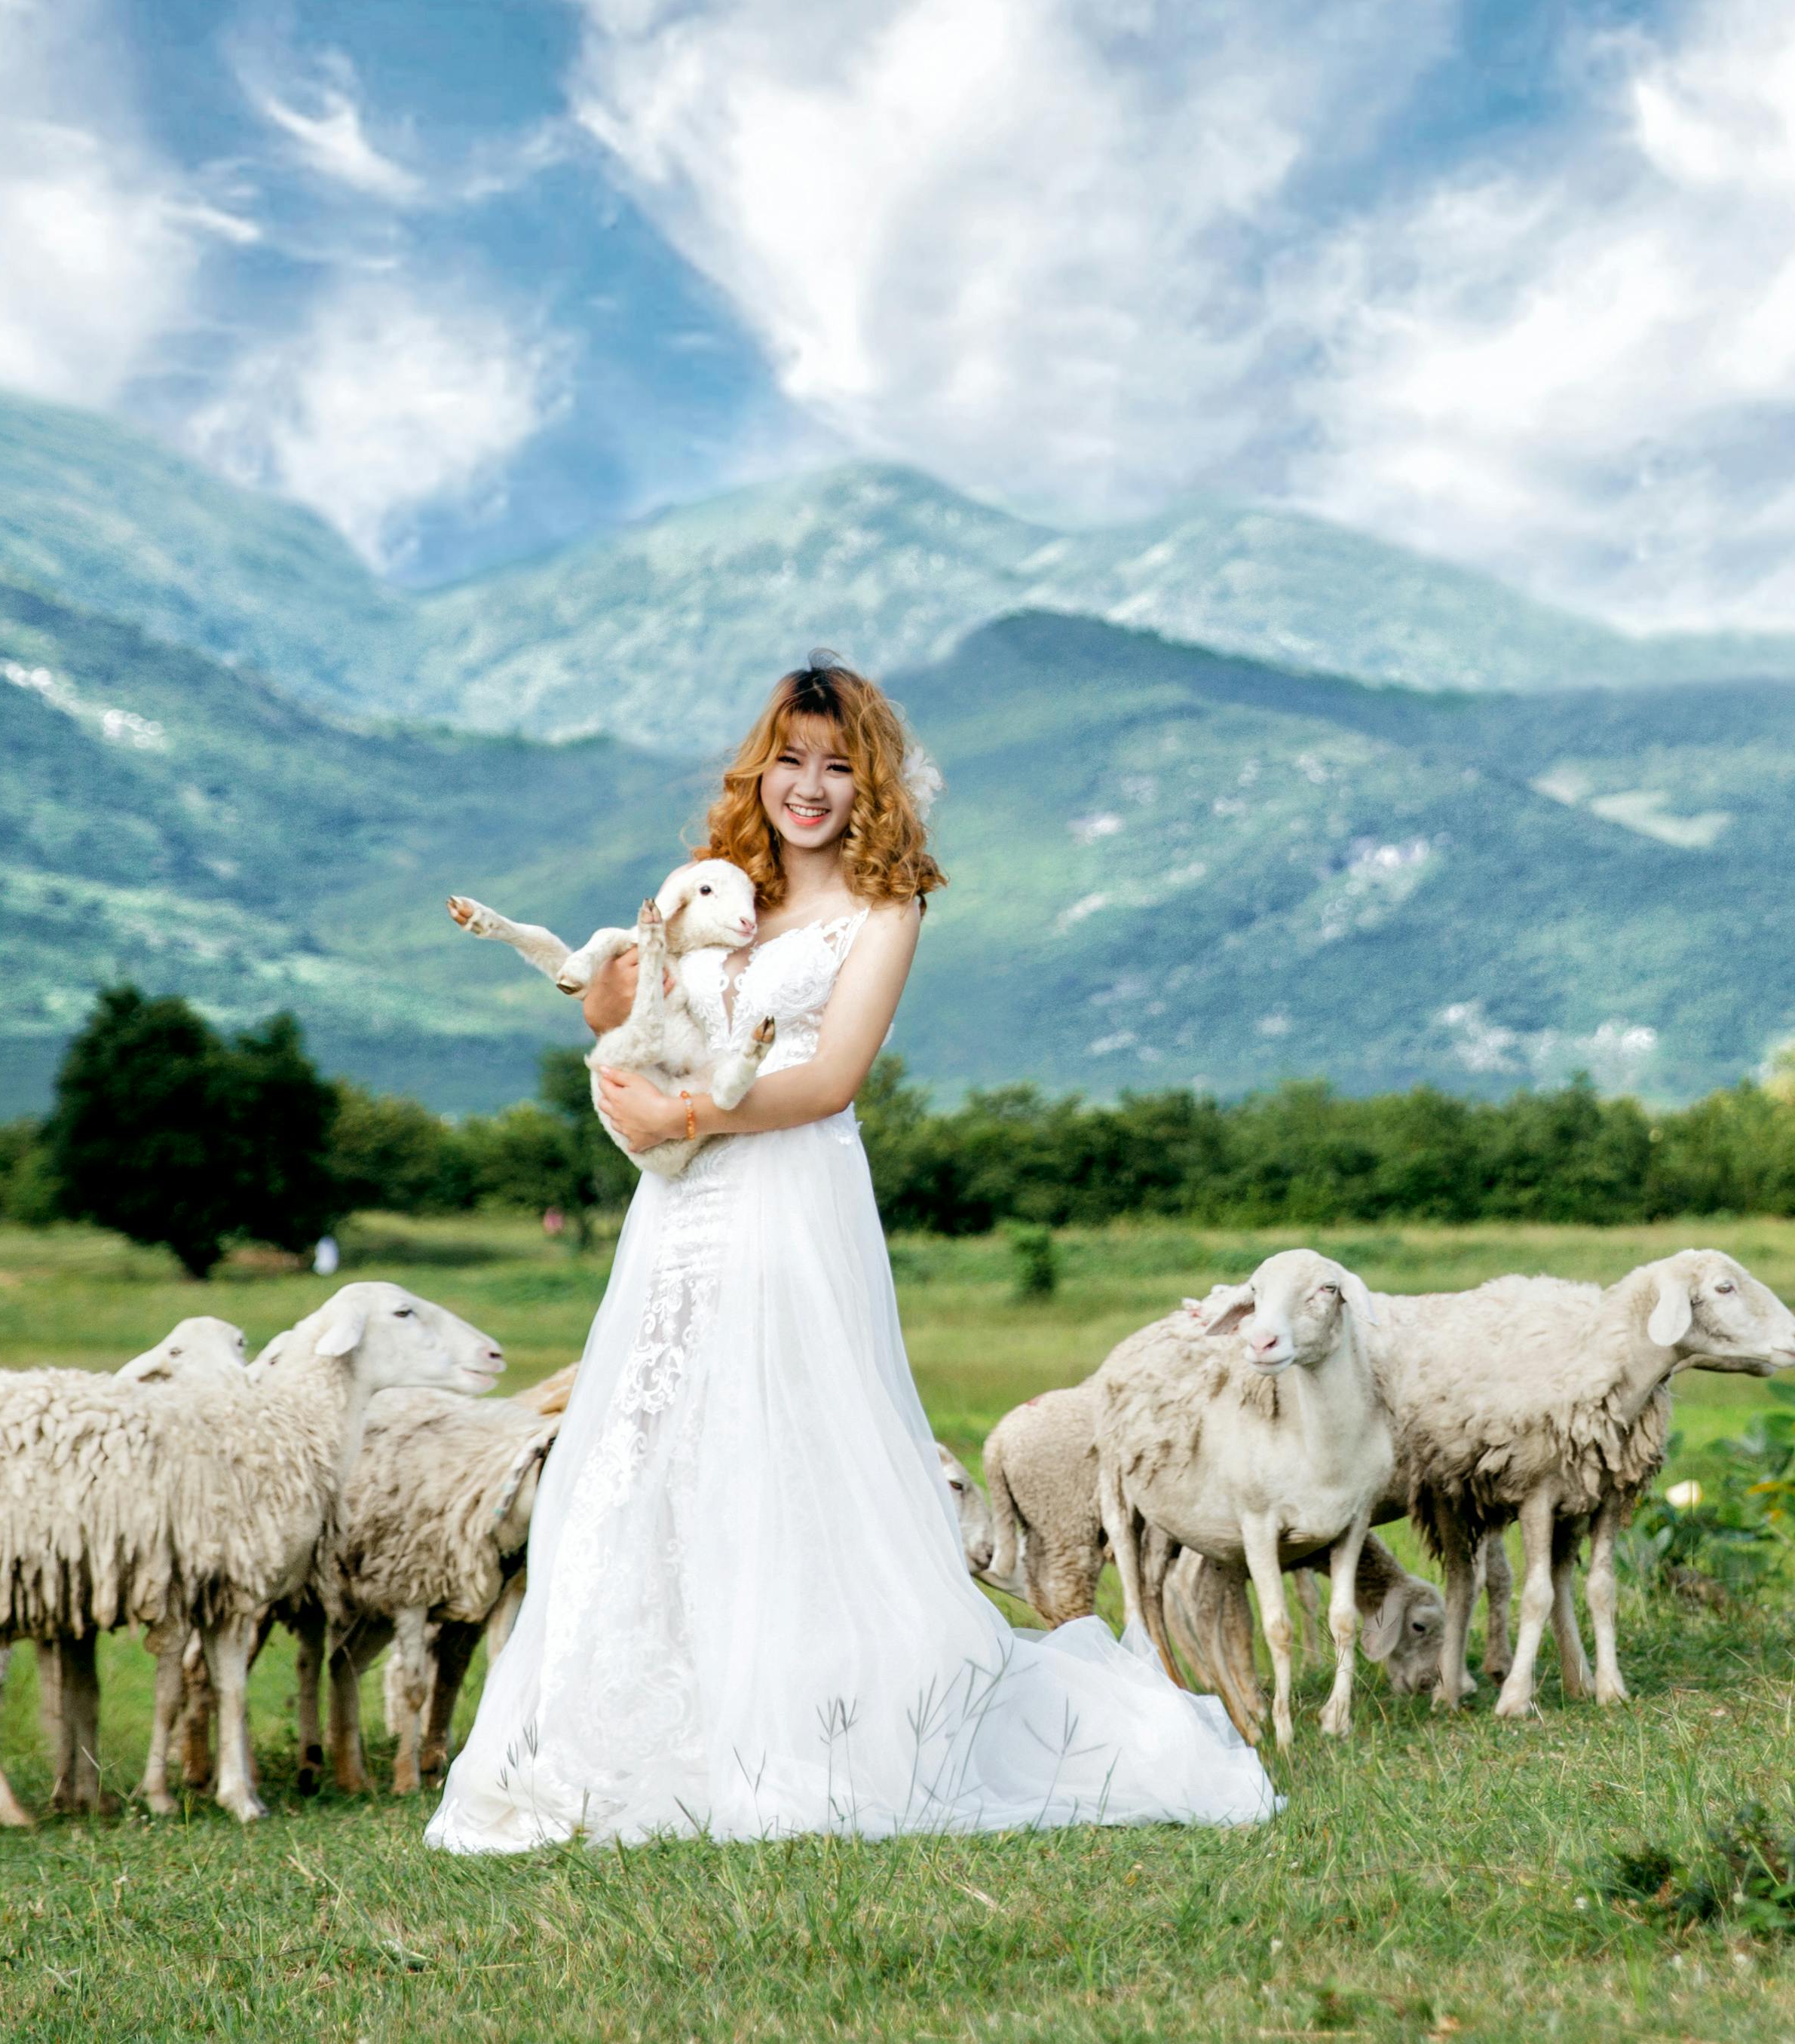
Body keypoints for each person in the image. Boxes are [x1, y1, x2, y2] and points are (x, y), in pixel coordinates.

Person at [427, 659, 1274, 1847]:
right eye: (791, 761)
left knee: (784, 1442)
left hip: (787, 1194)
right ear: (759, 768)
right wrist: (614, 1019)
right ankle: (625, 1739)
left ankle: (812, 1729)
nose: (811, 787)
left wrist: (687, 1119)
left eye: (837, 765)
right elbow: (633, 1014)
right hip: (677, 1215)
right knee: (648, 1440)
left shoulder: (886, 906)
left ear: (869, 777)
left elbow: (832, 1078)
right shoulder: (714, 888)